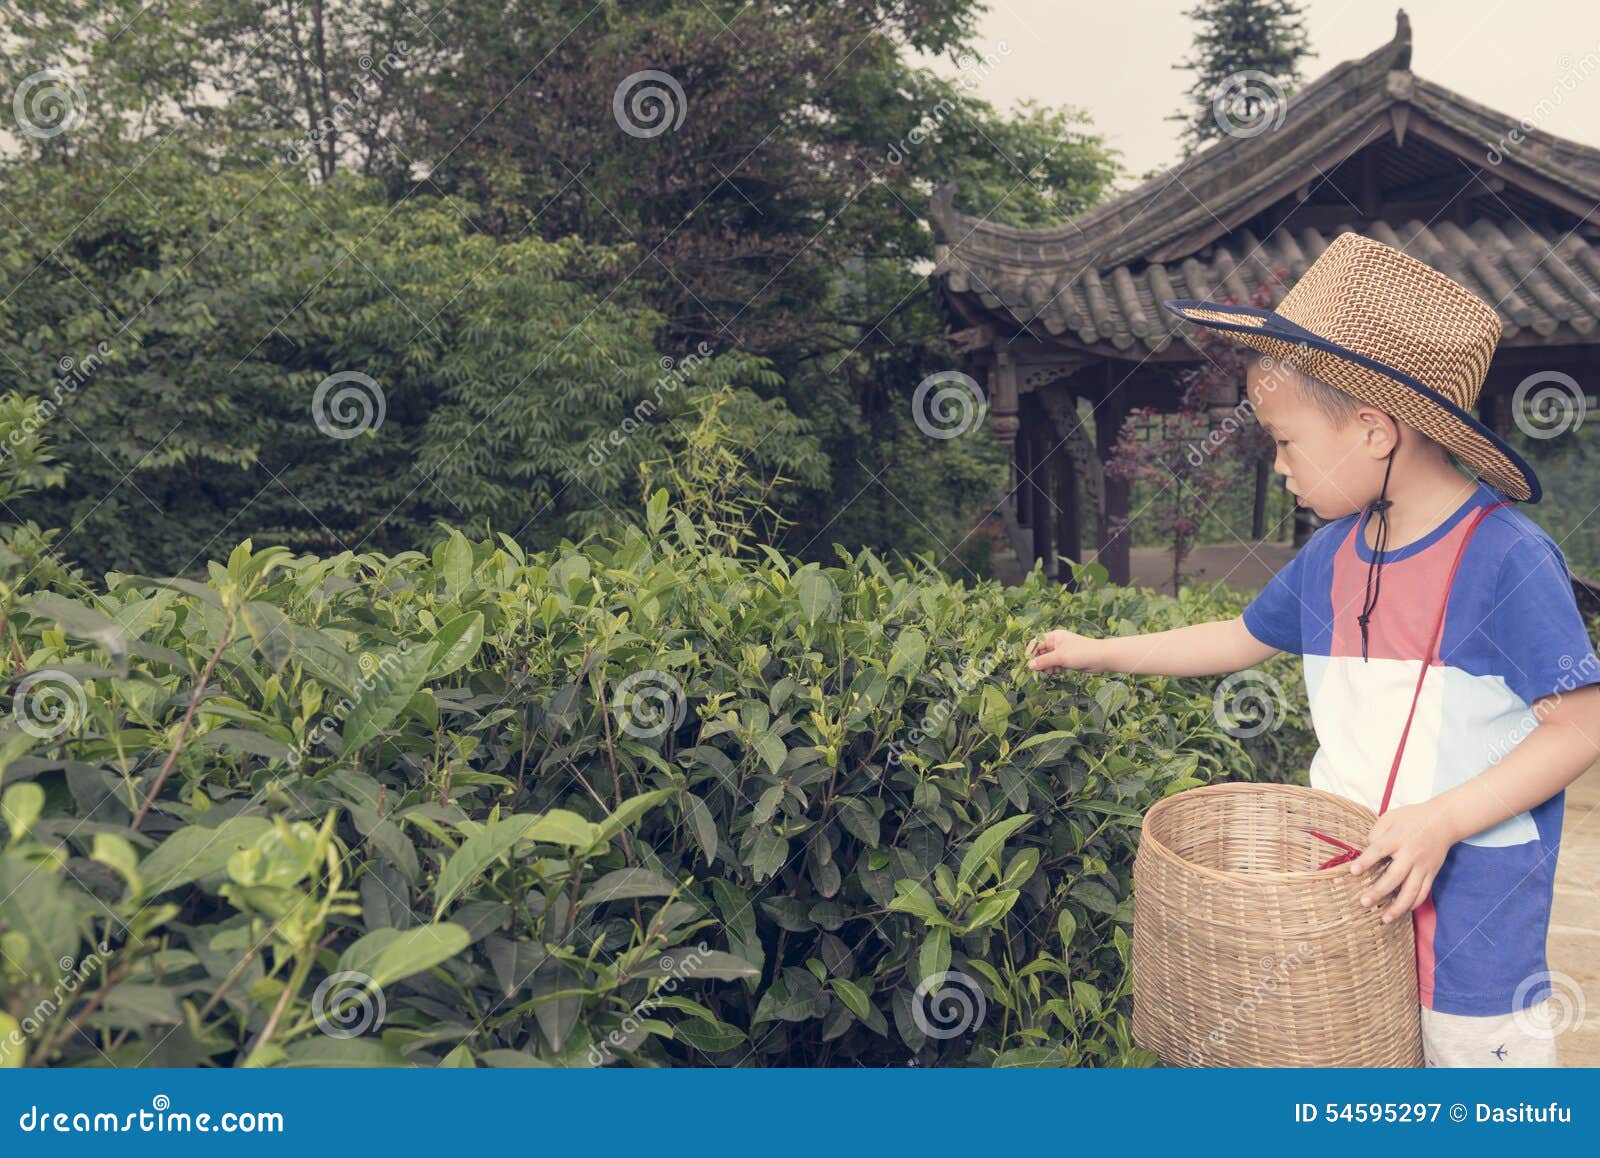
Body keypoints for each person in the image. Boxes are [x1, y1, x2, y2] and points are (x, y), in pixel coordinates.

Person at [1024, 231, 1600, 1067]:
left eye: (1287, 443)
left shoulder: (1505, 558)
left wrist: (1442, 821)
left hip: (1472, 942)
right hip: (1342, 916)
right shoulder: (1331, 556)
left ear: (1372, 430)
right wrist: (1099, 650)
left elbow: (1579, 726)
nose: (1282, 467)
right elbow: (1234, 637)